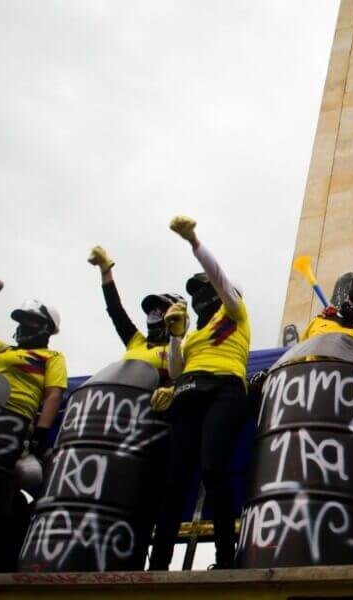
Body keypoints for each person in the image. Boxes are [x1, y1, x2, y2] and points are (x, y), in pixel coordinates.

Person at [148, 216, 251, 571]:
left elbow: (220, 278)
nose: (201, 297)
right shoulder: (194, 334)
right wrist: (176, 336)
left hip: (224, 389)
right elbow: (177, 372)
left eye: (206, 290)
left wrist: (194, 243)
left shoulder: (234, 313)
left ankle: (225, 558)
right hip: (189, 393)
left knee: (213, 468)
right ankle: (158, 563)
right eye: (196, 294)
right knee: (175, 481)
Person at [0, 279, 66, 568]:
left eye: (31, 321)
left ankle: (0, 555)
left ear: (46, 327)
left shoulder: (51, 357)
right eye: (22, 321)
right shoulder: (2, 351)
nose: (24, 326)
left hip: (11, 426)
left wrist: (40, 435)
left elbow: (53, 395)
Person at [87, 245, 183, 384]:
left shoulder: (181, 352)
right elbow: (115, 310)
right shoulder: (136, 341)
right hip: (121, 400)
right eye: (152, 309)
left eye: (160, 309)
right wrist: (105, 270)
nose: (154, 313)